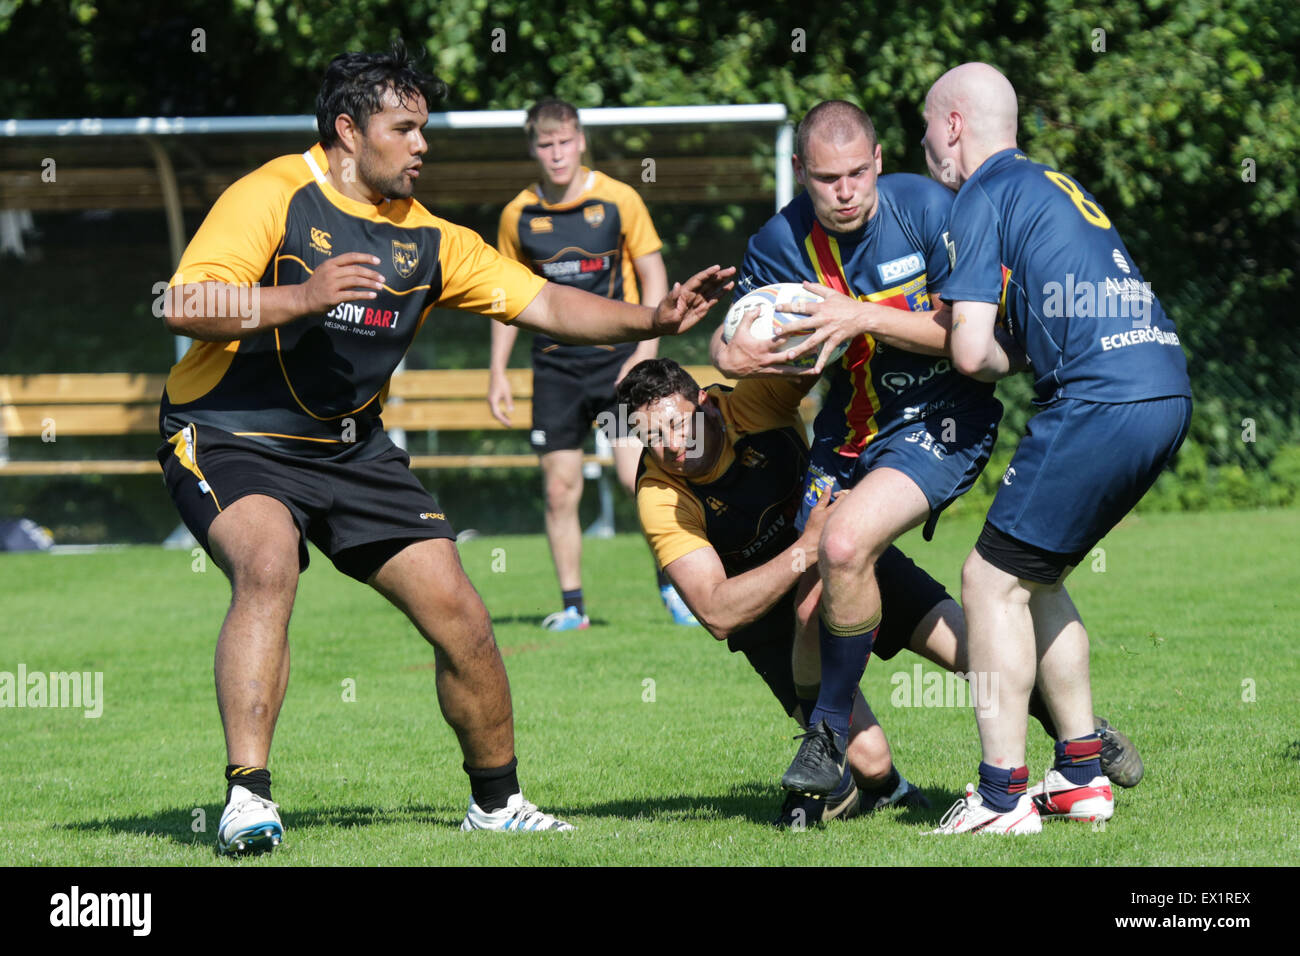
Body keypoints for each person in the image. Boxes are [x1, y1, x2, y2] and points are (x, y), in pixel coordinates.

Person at [156, 43, 731, 852]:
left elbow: (547, 306)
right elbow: (182, 300)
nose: (423, 144)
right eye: (406, 127)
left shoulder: (430, 239)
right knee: (267, 561)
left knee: (461, 613)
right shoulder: (275, 192)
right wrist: (303, 296)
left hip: (353, 451)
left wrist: (651, 319)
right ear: (349, 131)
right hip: (229, 433)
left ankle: (497, 805)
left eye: (425, 127)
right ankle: (249, 798)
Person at [616, 358, 1143, 828]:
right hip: (772, 622)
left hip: (853, 562)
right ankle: (884, 793)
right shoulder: (660, 494)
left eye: (677, 426)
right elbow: (717, 612)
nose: (669, 448)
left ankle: (1079, 733)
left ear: (704, 402)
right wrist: (807, 547)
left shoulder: (751, 402)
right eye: (650, 438)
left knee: (975, 654)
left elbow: (823, 356)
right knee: (870, 760)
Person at [918, 63, 1192, 834]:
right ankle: (1078, 776)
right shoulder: (1052, 181)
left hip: (1101, 398)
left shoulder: (980, 195)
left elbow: (971, 352)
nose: (925, 145)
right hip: (1164, 385)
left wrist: (1010, 349)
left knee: (986, 582)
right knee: (1034, 579)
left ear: (955, 125)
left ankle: (1000, 798)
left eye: (926, 127)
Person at [712, 101, 1004, 802]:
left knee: (841, 546)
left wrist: (861, 315)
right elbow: (733, 343)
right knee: (811, 603)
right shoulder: (779, 242)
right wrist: (736, 351)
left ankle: (828, 736)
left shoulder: (928, 209)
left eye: (855, 174)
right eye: (825, 179)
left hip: (942, 418)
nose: (843, 192)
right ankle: (1071, 720)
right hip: (848, 434)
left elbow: (980, 345)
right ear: (798, 173)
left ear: (877, 162)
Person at [489, 98, 697, 630]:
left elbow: (654, 274)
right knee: (560, 490)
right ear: (533, 149)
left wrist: (645, 350)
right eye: (545, 144)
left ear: (580, 141)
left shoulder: (618, 198)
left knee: (641, 480)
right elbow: (501, 297)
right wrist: (497, 374)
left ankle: (674, 587)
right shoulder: (518, 215)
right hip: (555, 370)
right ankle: (573, 607)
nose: (556, 154)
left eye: (564, 142)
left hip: (618, 370)